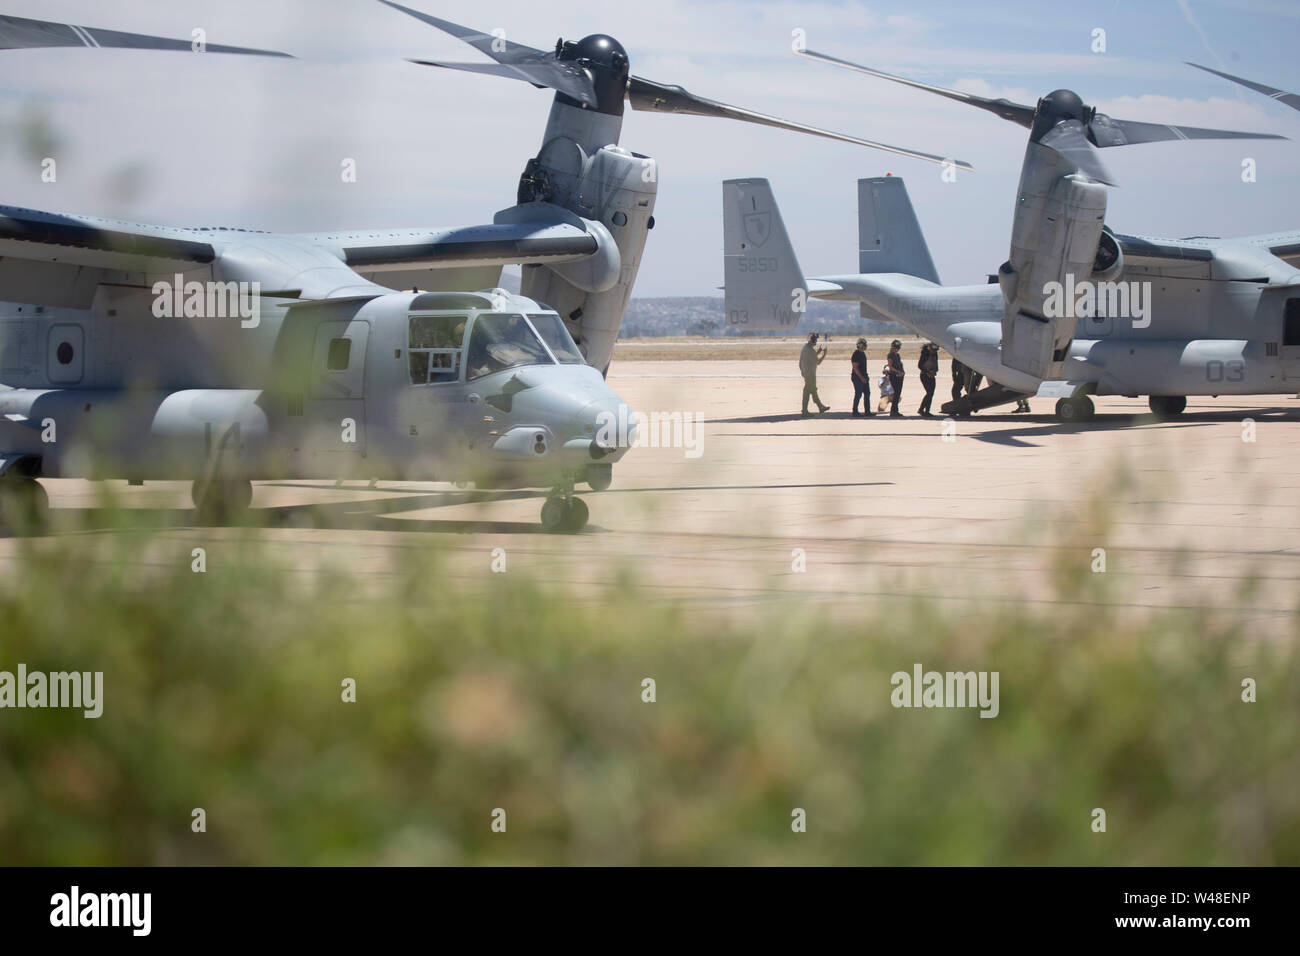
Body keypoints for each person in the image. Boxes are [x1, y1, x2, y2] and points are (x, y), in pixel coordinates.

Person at [799, 332, 830, 415]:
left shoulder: (805, 348)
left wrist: (818, 352)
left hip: (806, 373)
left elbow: (809, 358)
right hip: (811, 375)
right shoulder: (810, 350)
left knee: (812, 390)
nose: (816, 341)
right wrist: (824, 354)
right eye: (815, 340)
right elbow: (818, 362)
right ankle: (805, 411)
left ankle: (820, 407)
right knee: (808, 392)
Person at [850, 337, 873, 416]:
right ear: (860, 345)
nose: (866, 346)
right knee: (858, 394)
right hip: (857, 377)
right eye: (864, 344)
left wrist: (865, 376)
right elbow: (855, 367)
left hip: (863, 377)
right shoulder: (856, 354)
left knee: (867, 393)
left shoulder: (862, 353)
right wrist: (861, 378)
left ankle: (867, 411)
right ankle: (855, 411)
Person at [917, 343, 939, 416]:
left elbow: (936, 365)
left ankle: (926, 410)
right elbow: (920, 365)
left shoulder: (935, 354)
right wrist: (927, 372)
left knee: (931, 393)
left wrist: (934, 371)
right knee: (929, 393)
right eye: (933, 350)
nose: (935, 351)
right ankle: (922, 409)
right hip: (924, 375)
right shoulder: (925, 354)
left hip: (932, 376)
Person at [886, 339, 905, 418]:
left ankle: (895, 410)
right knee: (896, 393)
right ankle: (893, 411)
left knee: (898, 393)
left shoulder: (897, 355)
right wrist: (898, 372)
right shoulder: (890, 355)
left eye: (898, 348)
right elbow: (890, 367)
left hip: (899, 377)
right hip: (894, 376)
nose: (897, 349)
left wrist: (902, 372)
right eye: (896, 347)